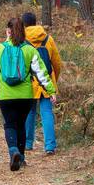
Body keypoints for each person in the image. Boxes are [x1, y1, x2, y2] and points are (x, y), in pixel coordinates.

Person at [0, 15, 56, 171]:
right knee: (21, 125)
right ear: (23, 32)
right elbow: (41, 73)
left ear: (8, 31)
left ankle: (13, 151)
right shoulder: (30, 50)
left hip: (6, 95)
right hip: (26, 95)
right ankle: (21, 158)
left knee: (10, 124)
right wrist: (50, 91)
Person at [21, 11, 63, 155]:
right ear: (35, 22)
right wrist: (53, 80)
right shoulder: (48, 39)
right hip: (46, 82)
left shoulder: (21, 39)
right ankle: (50, 146)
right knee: (46, 113)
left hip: (29, 82)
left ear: (23, 24)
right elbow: (57, 63)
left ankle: (27, 143)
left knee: (29, 112)